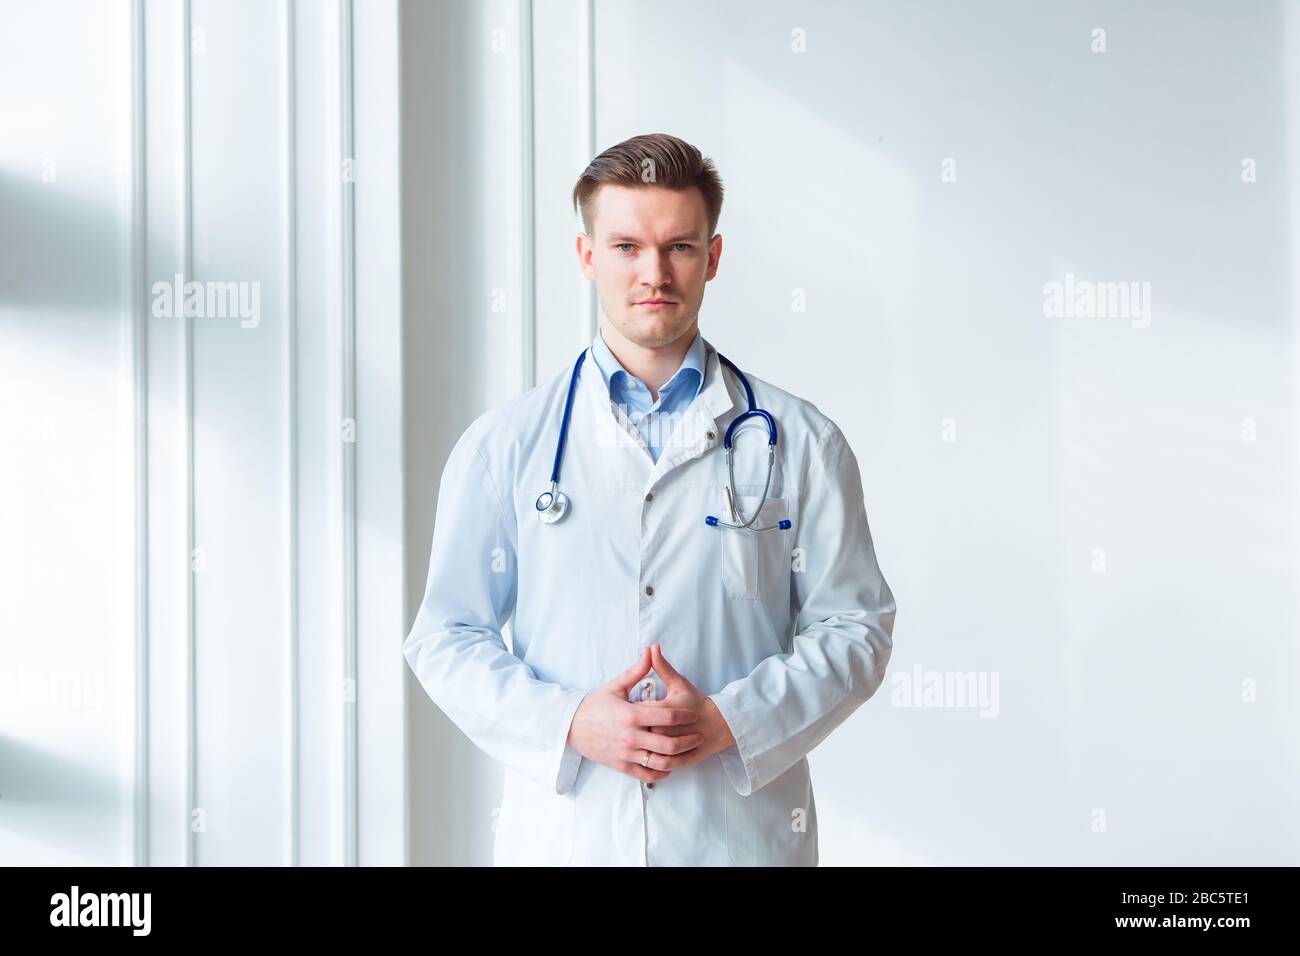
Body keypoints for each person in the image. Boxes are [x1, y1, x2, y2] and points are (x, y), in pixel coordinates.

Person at [403, 132, 896, 866]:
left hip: (737, 840)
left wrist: (733, 720)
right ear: (587, 256)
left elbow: (855, 627)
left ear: (714, 257)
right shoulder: (504, 446)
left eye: (680, 247)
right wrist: (570, 722)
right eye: (627, 246)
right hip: (571, 839)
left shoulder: (802, 441)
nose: (654, 273)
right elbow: (445, 637)